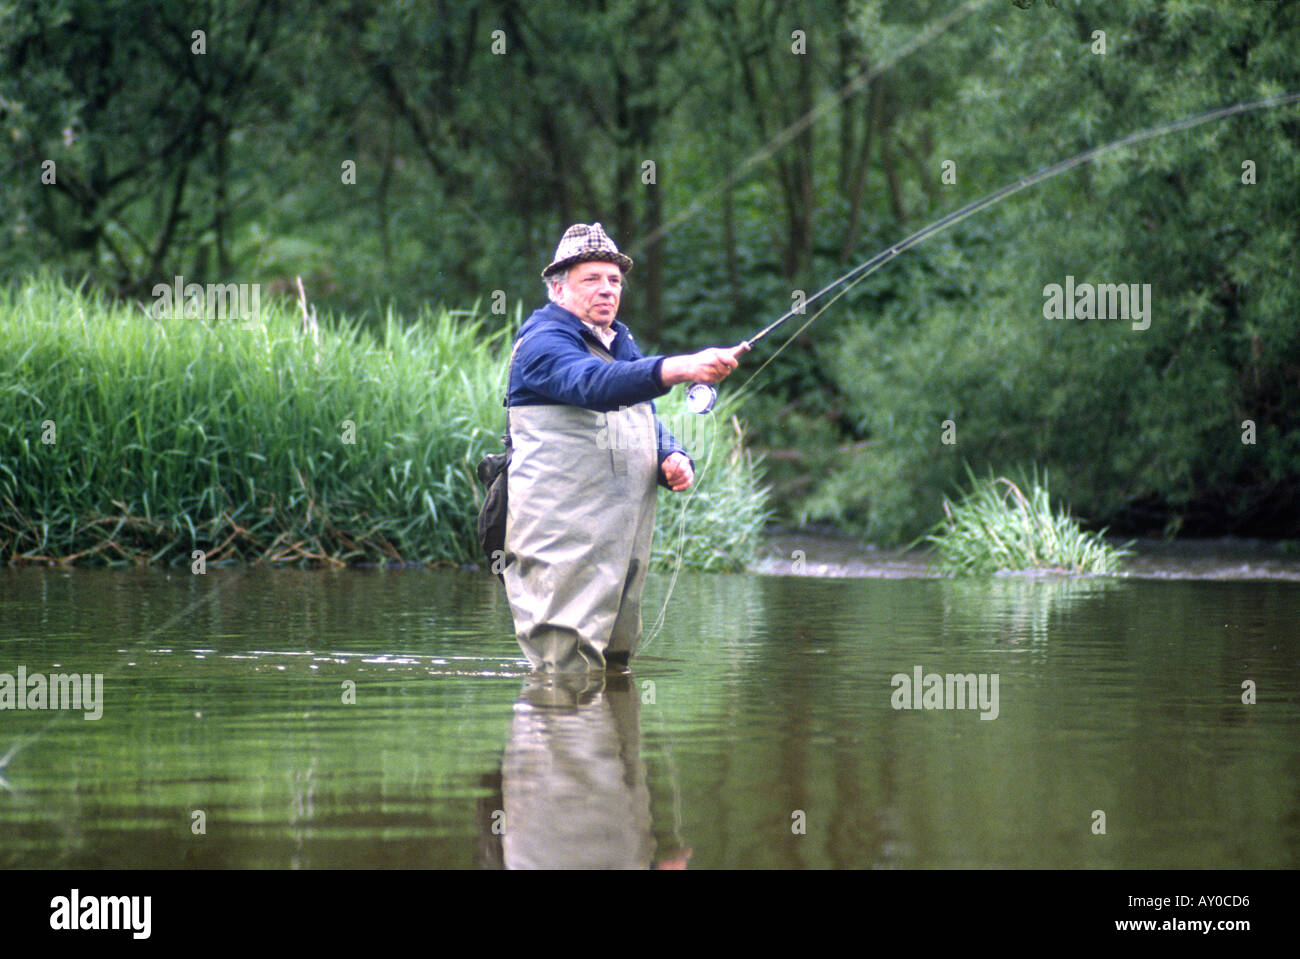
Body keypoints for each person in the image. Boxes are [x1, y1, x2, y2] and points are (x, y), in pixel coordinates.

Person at [502, 222, 744, 672]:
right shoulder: (542, 342)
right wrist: (680, 366)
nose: (606, 290)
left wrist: (670, 454)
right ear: (557, 289)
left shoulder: (619, 340)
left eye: (614, 280)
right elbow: (593, 385)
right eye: (590, 279)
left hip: (618, 535)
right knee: (565, 669)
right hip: (563, 534)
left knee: (615, 665)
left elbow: (641, 413)